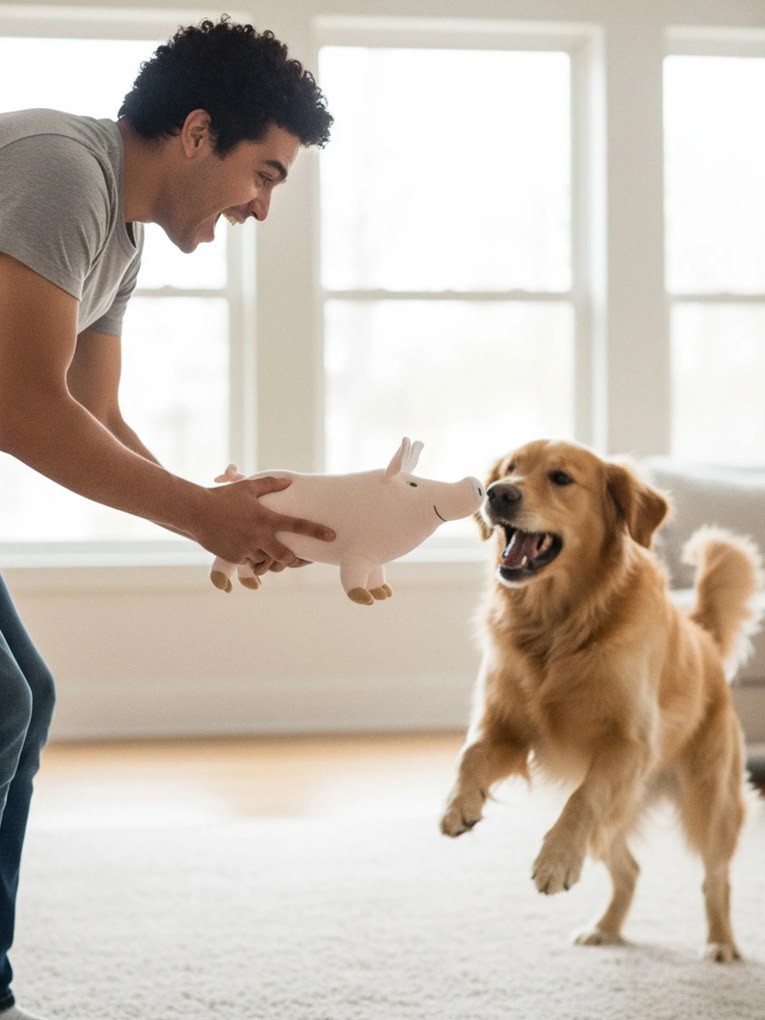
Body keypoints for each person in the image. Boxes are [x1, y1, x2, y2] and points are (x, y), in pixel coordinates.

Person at [0, 16, 334, 1019]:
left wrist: (225, 517)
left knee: (30, 698)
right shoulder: (62, 170)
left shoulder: (121, 235)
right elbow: (21, 406)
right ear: (197, 134)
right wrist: (200, 516)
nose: (263, 208)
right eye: (266, 174)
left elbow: (92, 411)